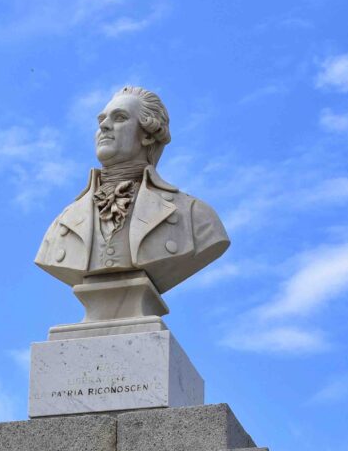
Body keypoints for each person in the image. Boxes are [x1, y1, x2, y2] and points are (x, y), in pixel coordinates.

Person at [35, 86, 230, 297]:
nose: (104, 126)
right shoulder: (63, 223)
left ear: (147, 135)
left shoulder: (195, 217)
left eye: (119, 118)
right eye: (101, 120)